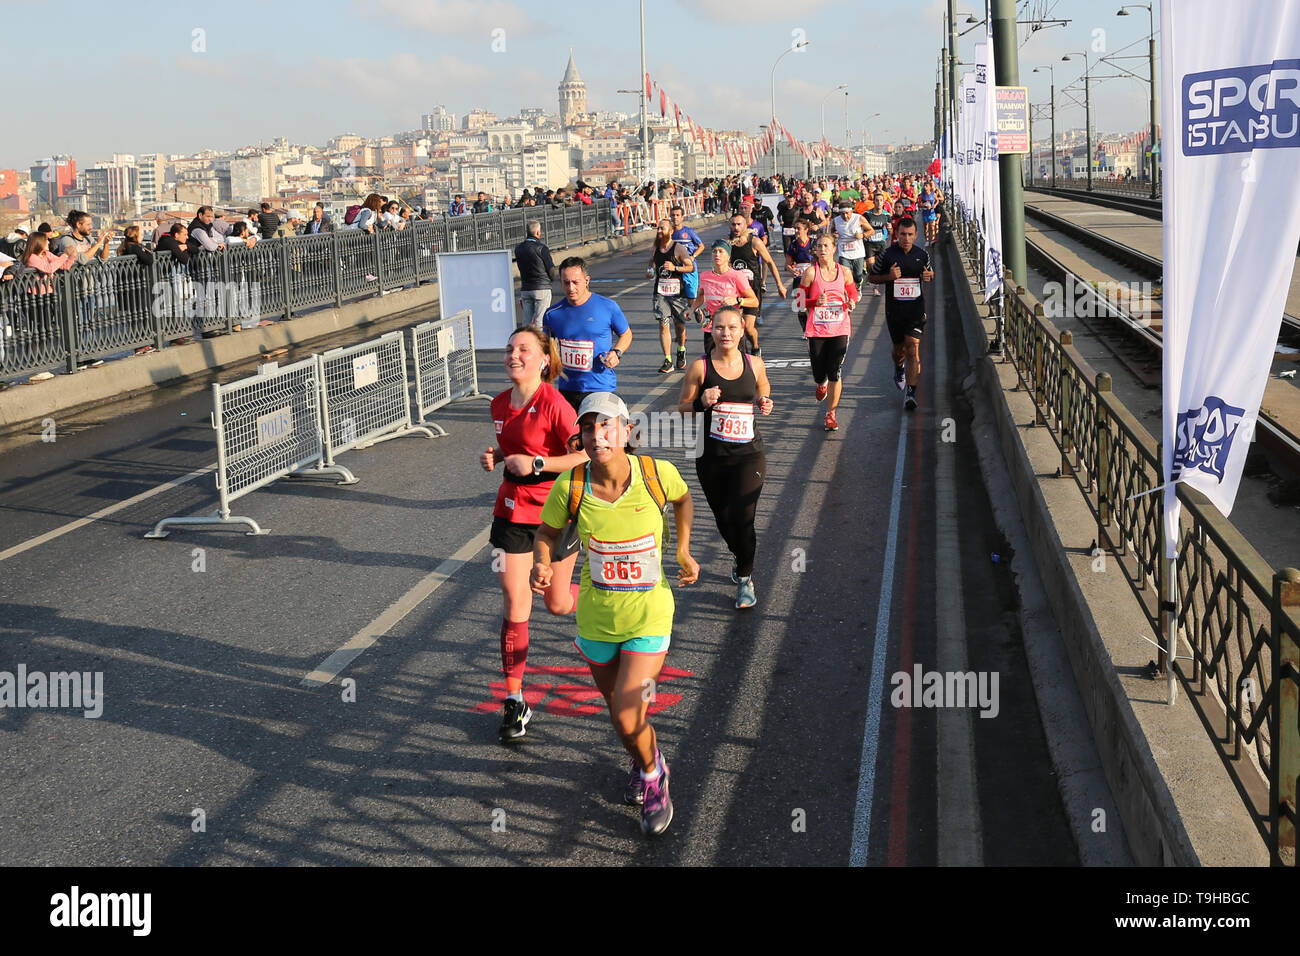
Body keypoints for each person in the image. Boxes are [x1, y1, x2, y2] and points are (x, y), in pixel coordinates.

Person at [531, 392, 699, 837]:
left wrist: (681, 548)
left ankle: (653, 777)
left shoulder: (656, 474)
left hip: (649, 616)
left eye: (607, 426)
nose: (597, 435)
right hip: (597, 620)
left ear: (627, 431)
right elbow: (546, 533)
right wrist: (542, 562)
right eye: (588, 428)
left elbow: (683, 501)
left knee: (627, 715)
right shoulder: (572, 486)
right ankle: (644, 756)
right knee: (619, 711)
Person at [482, 326, 590, 741]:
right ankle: (514, 699)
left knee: (559, 605)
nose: (514, 355)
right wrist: (498, 456)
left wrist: (539, 465)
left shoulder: (556, 404)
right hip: (511, 513)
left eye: (524, 349)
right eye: (510, 348)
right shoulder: (497, 404)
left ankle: (602, 592)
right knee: (515, 601)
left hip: (554, 516)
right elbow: (514, 450)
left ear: (544, 359)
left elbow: (582, 454)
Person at [678, 307, 773, 609]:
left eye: (732, 327)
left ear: (742, 329)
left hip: (749, 455)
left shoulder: (755, 363)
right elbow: (681, 407)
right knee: (723, 518)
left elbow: (763, 386)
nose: (725, 333)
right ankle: (739, 554)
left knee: (744, 518)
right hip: (710, 456)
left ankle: (745, 577)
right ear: (711, 329)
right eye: (719, 327)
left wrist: (764, 400)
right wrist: (700, 402)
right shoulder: (700, 368)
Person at [542, 256, 632, 413]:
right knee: (571, 437)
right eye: (566, 282)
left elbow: (626, 334)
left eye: (575, 282)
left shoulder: (608, 307)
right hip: (567, 389)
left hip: (600, 387)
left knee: (599, 436)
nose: (571, 288)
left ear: (587, 280)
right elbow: (547, 351)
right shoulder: (552, 315)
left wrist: (616, 353)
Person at [868, 216, 933, 411]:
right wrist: (889, 276)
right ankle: (898, 368)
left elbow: (929, 272)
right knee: (899, 352)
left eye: (910, 235)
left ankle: (911, 393)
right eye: (902, 234)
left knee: (913, 348)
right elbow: (872, 277)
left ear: (916, 235)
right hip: (895, 312)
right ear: (896, 235)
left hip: (915, 311)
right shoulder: (887, 255)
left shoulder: (922, 255)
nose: (906, 238)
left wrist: (930, 276)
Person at [799, 234, 860, 431]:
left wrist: (852, 301)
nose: (822, 249)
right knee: (819, 372)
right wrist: (813, 302)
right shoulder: (810, 273)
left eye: (826, 246)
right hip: (817, 329)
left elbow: (853, 293)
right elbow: (799, 302)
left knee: (836, 371)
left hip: (840, 327)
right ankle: (821, 383)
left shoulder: (845, 271)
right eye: (819, 246)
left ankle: (831, 414)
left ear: (834, 249)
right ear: (815, 250)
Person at [724, 214, 786, 354]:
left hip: (752, 290)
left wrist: (779, 285)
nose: (736, 227)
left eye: (739, 224)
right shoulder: (727, 243)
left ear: (745, 225)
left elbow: (769, 262)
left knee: (748, 328)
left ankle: (756, 347)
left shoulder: (754, 242)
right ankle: (739, 355)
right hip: (734, 290)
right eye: (733, 224)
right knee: (735, 326)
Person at [690, 239, 758, 354]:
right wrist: (691, 309)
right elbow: (701, 295)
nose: (717, 254)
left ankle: (755, 350)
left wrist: (737, 300)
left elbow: (754, 301)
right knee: (711, 361)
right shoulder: (705, 276)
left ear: (728, 257)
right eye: (714, 251)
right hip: (712, 326)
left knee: (737, 363)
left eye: (721, 251)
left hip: (732, 326)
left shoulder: (737, 276)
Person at [646, 218, 695, 373]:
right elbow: (651, 264)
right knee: (663, 323)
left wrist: (676, 267)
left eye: (663, 229)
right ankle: (668, 360)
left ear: (671, 232)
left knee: (679, 325)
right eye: (658, 228)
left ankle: (681, 349)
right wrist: (650, 271)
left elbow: (691, 267)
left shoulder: (679, 248)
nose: (659, 231)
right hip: (660, 293)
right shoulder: (655, 249)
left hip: (677, 294)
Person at [513, 220, 557, 330]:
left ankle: (525, 343)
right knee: (540, 321)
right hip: (542, 287)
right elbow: (551, 270)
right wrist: (551, 278)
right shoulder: (542, 248)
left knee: (526, 322)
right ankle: (538, 345)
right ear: (538, 232)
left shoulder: (518, 249)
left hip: (526, 288)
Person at [863, 191, 892, 296]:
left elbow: (891, 232)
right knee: (871, 266)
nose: (879, 203)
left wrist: (890, 229)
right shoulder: (867, 214)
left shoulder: (887, 215)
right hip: (870, 243)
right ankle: (873, 281)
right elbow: (861, 226)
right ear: (874, 202)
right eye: (877, 200)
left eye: (881, 201)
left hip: (881, 243)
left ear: (884, 202)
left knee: (879, 267)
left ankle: (876, 287)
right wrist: (864, 234)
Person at [832, 204, 867, 288]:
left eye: (847, 213)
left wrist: (862, 235)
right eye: (842, 213)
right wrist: (834, 234)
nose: (845, 215)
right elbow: (832, 231)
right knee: (845, 275)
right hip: (843, 253)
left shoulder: (859, 218)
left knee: (857, 276)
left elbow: (871, 230)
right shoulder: (836, 220)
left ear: (851, 211)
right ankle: (849, 294)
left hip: (858, 253)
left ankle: (859, 282)